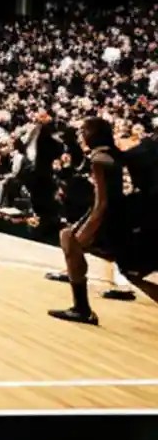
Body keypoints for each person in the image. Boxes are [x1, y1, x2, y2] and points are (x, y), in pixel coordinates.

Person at [48, 118, 155, 324]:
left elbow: (102, 203)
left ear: (92, 135)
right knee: (132, 273)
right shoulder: (117, 154)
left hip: (112, 218)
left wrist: (85, 234)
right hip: (130, 215)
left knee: (70, 240)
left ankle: (82, 309)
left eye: (84, 131)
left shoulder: (99, 159)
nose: (81, 135)